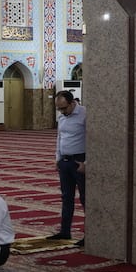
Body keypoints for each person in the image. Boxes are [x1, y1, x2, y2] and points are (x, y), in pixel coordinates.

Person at [49, 90, 86, 244]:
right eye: (59, 109)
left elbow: (94, 139)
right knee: (66, 197)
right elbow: (60, 137)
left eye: (64, 108)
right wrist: (57, 158)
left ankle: (90, 235)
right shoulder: (62, 117)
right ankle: (65, 231)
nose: (62, 112)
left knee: (85, 198)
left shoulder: (85, 114)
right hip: (64, 162)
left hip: (79, 162)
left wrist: (87, 163)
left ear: (72, 103)